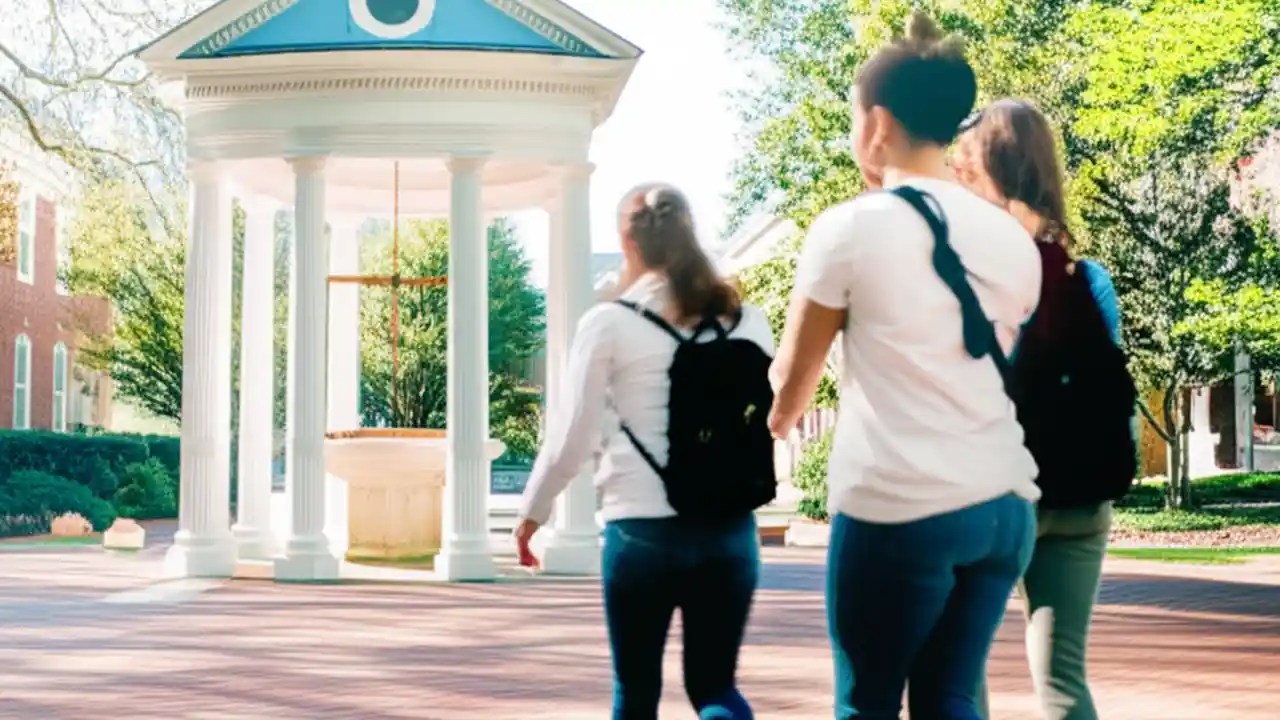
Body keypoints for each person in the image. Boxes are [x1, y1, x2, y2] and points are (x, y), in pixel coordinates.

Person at [767, 12, 1043, 719]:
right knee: (951, 698)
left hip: (900, 507)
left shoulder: (849, 228)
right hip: (1001, 508)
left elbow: (791, 392)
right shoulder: (1012, 240)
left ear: (878, 124)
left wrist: (773, 412)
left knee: (868, 704)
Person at [514, 183, 775, 720]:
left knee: (635, 695)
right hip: (729, 530)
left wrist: (532, 513)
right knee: (715, 688)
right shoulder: (748, 320)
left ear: (627, 243)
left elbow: (572, 436)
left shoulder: (609, 323)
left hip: (641, 531)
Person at [955, 99, 1123, 720]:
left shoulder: (972, 273)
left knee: (956, 673)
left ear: (985, 170)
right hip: (1080, 498)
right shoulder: (1089, 279)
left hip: (992, 498)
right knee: (1063, 680)